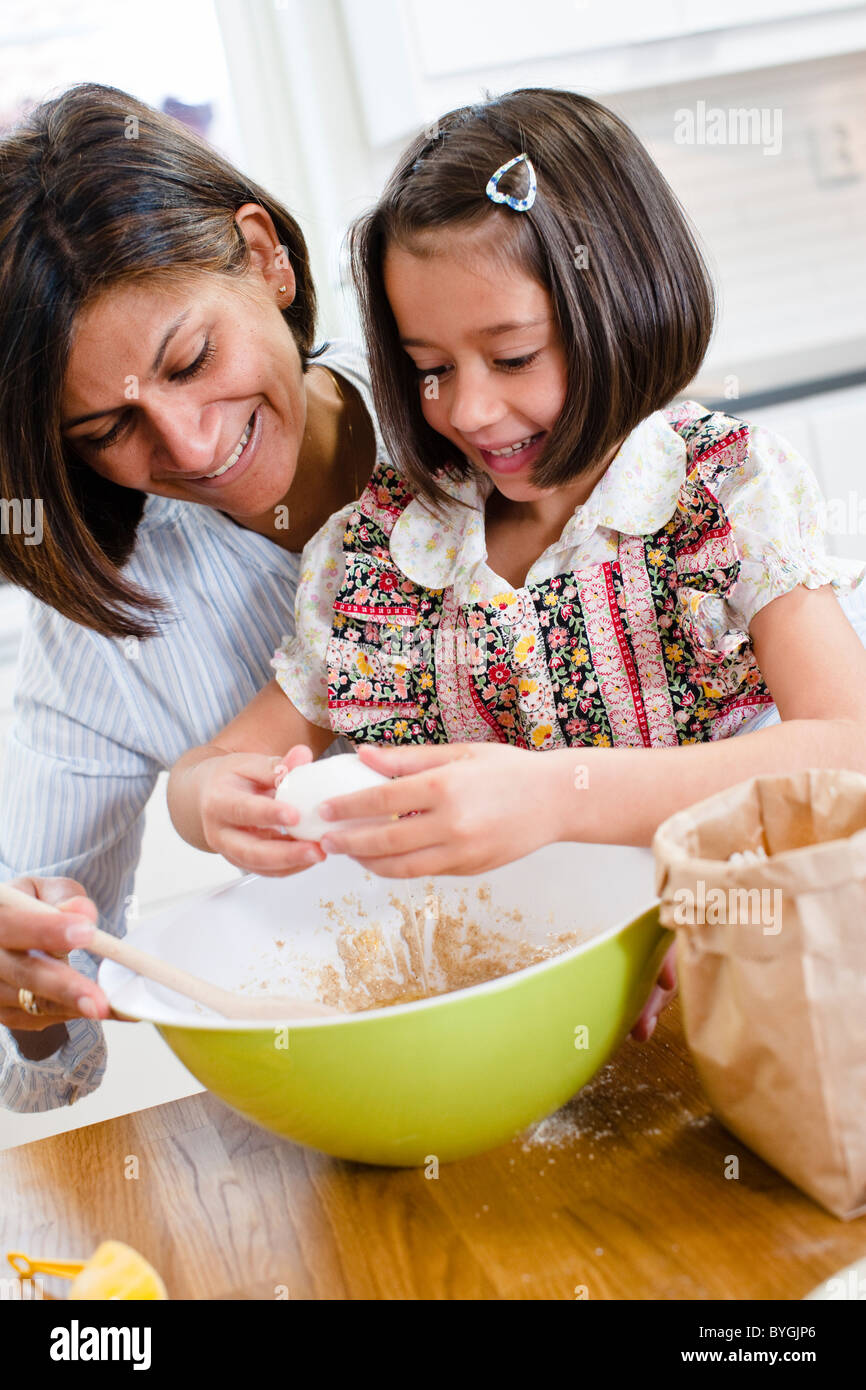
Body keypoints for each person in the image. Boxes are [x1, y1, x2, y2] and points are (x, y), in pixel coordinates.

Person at [166, 89, 866, 1047]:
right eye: (429, 368)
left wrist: (555, 794)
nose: (472, 411)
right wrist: (214, 804)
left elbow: (847, 749)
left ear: (623, 299)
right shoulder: (380, 559)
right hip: (515, 1035)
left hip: (754, 1012)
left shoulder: (722, 491)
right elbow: (218, 766)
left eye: (514, 355)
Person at [0, 83, 378, 1111]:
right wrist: (28, 996)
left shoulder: (480, 421)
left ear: (264, 254)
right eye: (106, 434)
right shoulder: (102, 630)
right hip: (353, 1106)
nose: (194, 446)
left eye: (192, 359)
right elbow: (45, 1028)